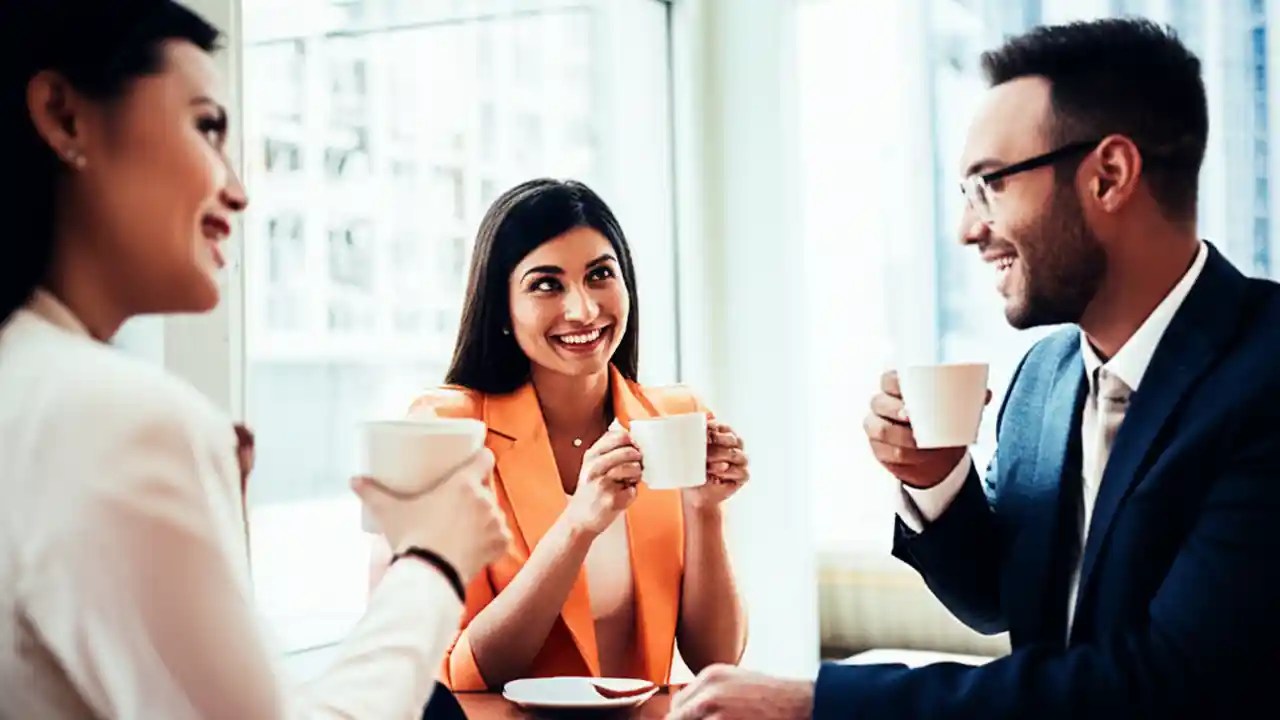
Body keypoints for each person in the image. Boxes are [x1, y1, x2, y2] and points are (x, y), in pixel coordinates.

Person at [666, 18, 1280, 720]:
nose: (967, 229)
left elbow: (1165, 685)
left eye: (989, 185)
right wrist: (938, 481)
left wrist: (820, 703)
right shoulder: (1045, 377)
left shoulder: (1265, 376)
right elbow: (997, 600)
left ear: (1108, 175)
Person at [0, 1, 509, 717]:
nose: (238, 189)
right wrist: (433, 561)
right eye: (207, 126)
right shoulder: (114, 418)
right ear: (64, 115)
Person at [370, 178, 750, 690]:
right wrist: (577, 526)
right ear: (501, 306)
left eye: (600, 275)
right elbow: (458, 673)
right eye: (546, 284)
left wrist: (704, 512)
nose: (584, 310)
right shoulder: (447, 434)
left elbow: (715, 659)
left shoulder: (674, 419)